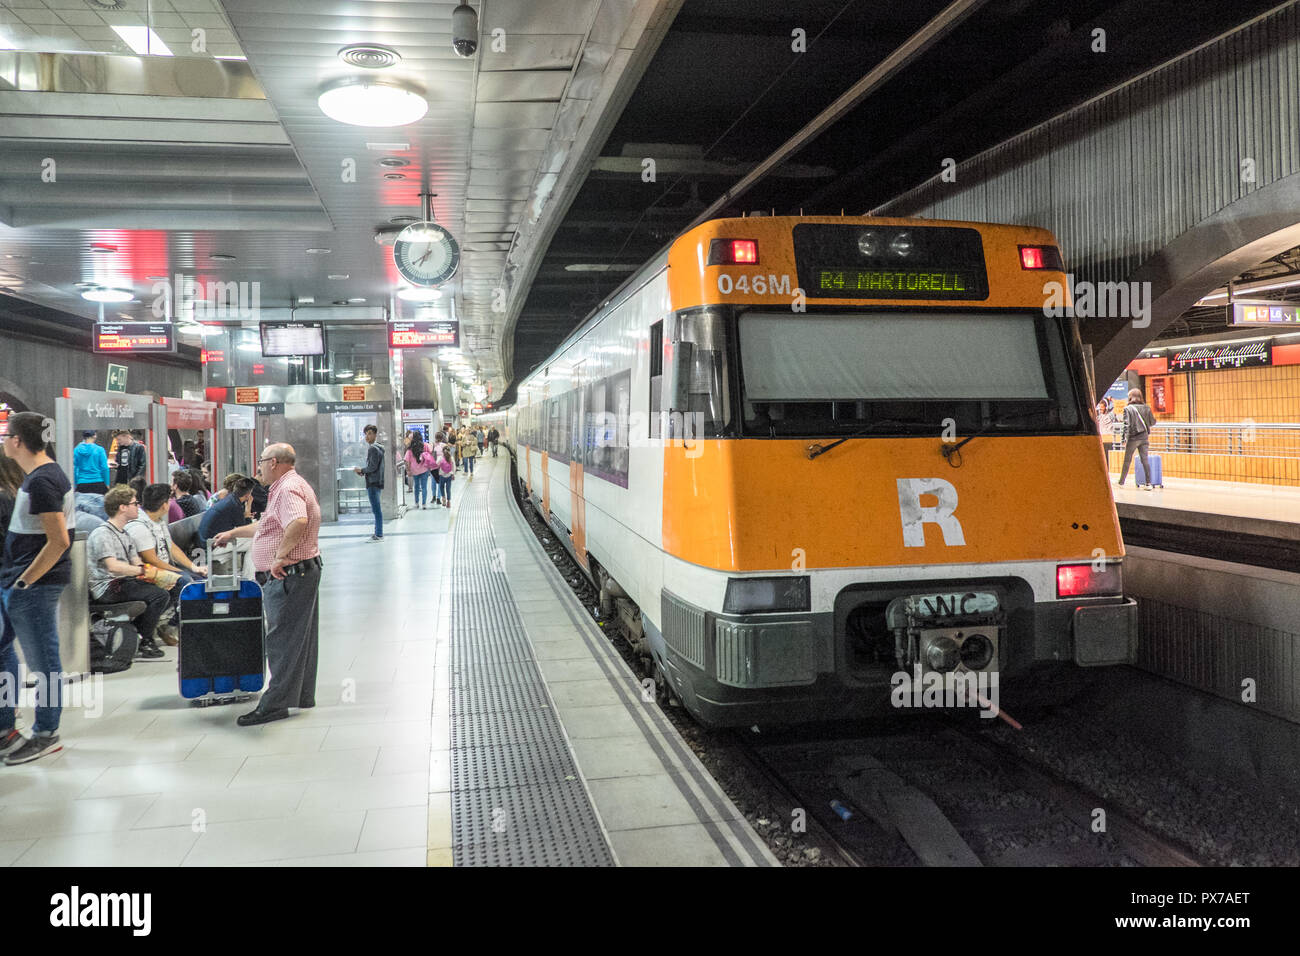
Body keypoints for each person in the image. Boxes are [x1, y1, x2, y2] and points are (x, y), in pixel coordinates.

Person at [214, 442, 321, 727]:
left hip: (289, 574)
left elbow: (297, 521)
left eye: (261, 461)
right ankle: (299, 695)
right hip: (300, 572)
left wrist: (280, 557)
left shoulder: (286, 489)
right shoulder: (289, 485)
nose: (258, 466)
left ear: (274, 462)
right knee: (299, 638)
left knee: (282, 640)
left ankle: (274, 705)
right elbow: (268, 526)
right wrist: (234, 532)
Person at [0, 414, 74, 764]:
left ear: (17, 441)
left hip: (34, 585)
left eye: (6, 435)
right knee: (6, 652)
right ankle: (5, 725)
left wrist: (24, 580)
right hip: (25, 582)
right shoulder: (44, 474)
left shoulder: (43, 481)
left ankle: (47, 733)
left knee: (43, 660)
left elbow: (59, 540)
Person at [87, 485, 170, 660]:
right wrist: (141, 571)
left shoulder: (125, 534)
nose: (138, 507)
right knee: (158, 596)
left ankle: (138, 634)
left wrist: (157, 576)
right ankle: (144, 638)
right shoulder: (102, 534)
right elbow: (112, 566)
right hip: (108, 586)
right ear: (122, 507)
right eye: (134, 503)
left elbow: (136, 561)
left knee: (171, 588)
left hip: (124, 582)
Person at [129, 482, 206, 645]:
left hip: (161, 569)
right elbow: (151, 559)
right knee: (185, 583)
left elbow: (171, 547)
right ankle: (166, 626)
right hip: (147, 573)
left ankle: (173, 626)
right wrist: (177, 572)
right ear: (165, 505)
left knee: (200, 581)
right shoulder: (139, 526)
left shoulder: (158, 522)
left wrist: (193, 567)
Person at [199, 476, 255, 547]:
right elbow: (245, 530)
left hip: (206, 540)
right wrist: (248, 507)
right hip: (213, 544)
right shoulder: (235, 505)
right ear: (248, 495)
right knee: (254, 540)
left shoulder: (231, 499)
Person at [1118, 388, 1157, 488]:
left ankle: (1121, 482)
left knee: (1127, 460)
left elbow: (1126, 425)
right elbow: (1152, 422)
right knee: (1145, 460)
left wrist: (1123, 439)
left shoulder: (1128, 409)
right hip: (1144, 438)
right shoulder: (1147, 408)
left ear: (1131, 397)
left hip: (1133, 438)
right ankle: (1148, 483)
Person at [354, 424, 385, 540]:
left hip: (373, 482)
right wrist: (363, 472)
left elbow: (372, 467)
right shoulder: (379, 447)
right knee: (376, 509)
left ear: (375, 435)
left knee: (376, 509)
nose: (367, 436)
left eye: (370, 433)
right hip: (377, 481)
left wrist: (361, 470)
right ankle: (378, 532)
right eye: (366, 434)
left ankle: (379, 534)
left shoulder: (373, 448)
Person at [405, 433, 434, 510]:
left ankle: (416, 503)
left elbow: (407, 460)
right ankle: (424, 504)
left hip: (414, 470)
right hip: (424, 469)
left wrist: (408, 470)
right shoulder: (425, 445)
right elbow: (431, 451)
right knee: (424, 487)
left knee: (416, 487)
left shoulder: (410, 448)